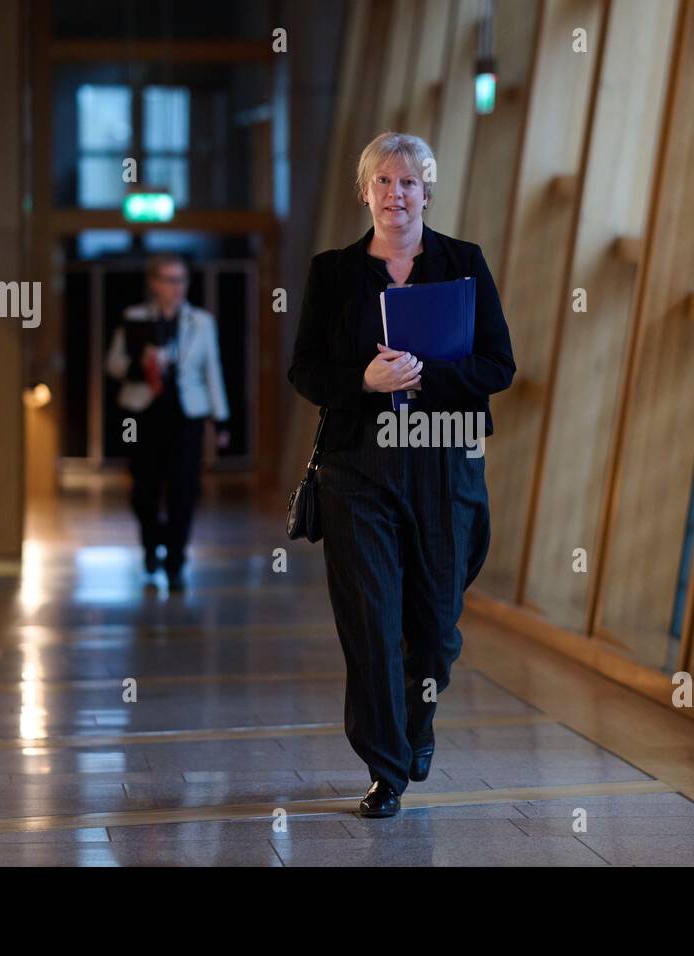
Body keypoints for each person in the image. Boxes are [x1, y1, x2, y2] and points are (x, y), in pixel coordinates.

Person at [288, 131, 515, 817]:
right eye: (383, 182)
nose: (396, 194)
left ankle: (418, 722)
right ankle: (386, 768)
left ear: (427, 192)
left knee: (437, 627)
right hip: (359, 468)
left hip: (444, 460)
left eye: (409, 182)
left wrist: (423, 374)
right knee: (372, 619)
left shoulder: (463, 263)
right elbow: (305, 371)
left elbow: (497, 366)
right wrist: (363, 378)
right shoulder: (333, 273)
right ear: (365, 193)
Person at [106, 254, 231, 591]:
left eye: (182, 280)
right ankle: (152, 543)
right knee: (142, 491)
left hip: (186, 415)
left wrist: (221, 420)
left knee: (183, 491)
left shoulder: (201, 322)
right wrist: (141, 364)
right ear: (154, 283)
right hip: (142, 413)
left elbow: (212, 371)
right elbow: (114, 364)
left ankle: (175, 560)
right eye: (170, 280)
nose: (177, 287)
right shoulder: (134, 318)